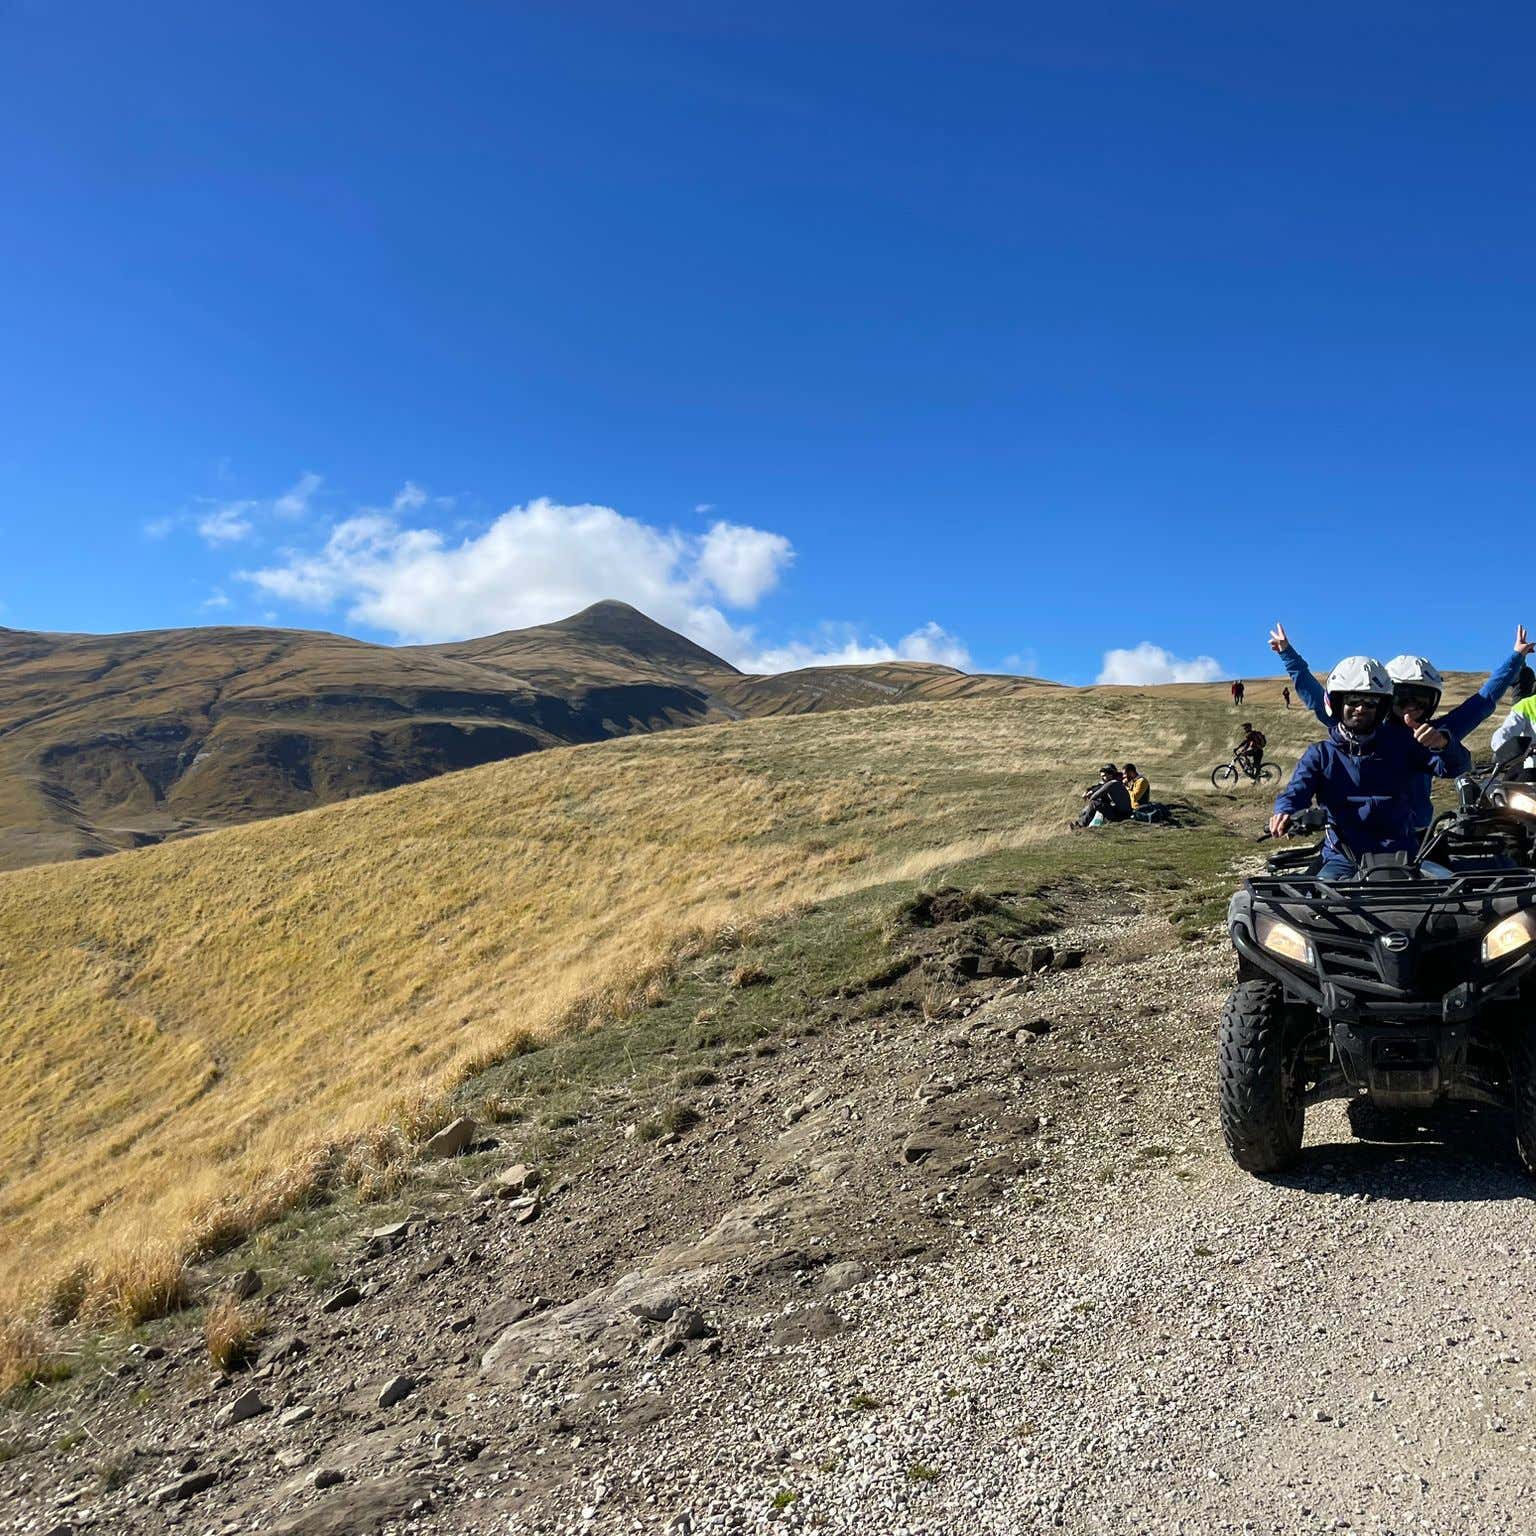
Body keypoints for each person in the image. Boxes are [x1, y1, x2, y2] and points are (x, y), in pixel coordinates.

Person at [1269, 621, 1531, 831]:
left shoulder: (1434, 734)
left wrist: (1516, 658)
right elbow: (1319, 699)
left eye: (1421, 700)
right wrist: (1288, 655)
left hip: (1415, 835)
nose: (1411, 707)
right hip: (1351, 839)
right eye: (1402, 698)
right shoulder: (1360, 723)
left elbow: (1483, 702)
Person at [1269, 657, 1469, 880]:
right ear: (1336, 704)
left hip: (1404, 855)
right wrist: (1286, 810)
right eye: (1353, 700)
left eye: (1370, 703)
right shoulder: (1320, 754)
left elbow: (1454, 767)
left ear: (1382, 706)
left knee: (1453, 895)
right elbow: (1298, 789)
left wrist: (1444, 744)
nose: (1361, 708)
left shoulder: (1403, 745)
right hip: (1343, 857)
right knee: (1311, 906)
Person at [1076, 763, 1133, 828]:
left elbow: (1095, 796)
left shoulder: (1111, 784)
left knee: (1094, 803)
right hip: (1124, 812)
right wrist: (1090, 791)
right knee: (1100, 801)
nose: (1102, 778)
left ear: (1110, 775)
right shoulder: (1116, 781)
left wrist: (1089, 795)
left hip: (1121, 816)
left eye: (1104, 776)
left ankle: (1082, 826)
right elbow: (1099, 786)